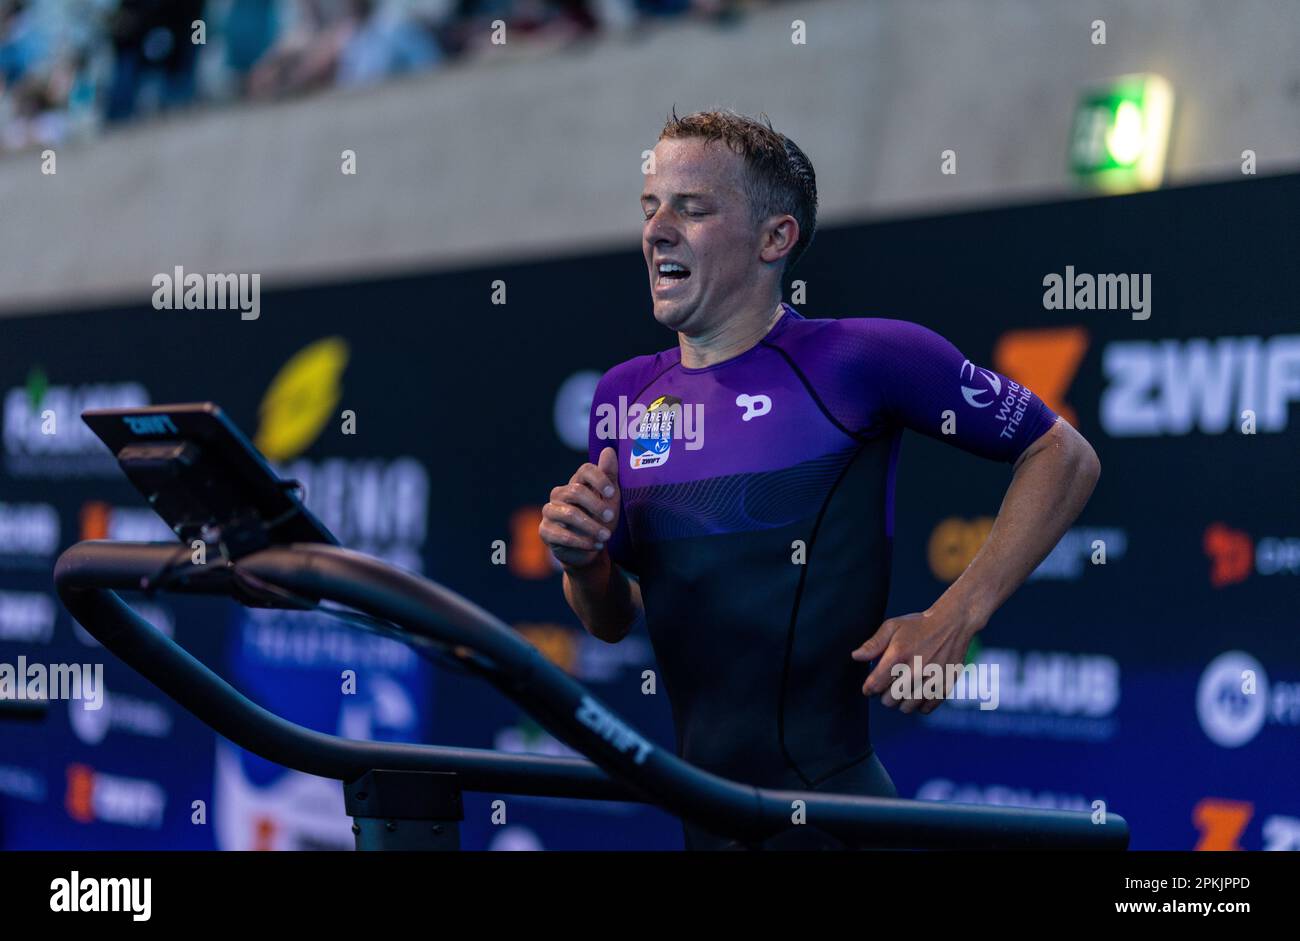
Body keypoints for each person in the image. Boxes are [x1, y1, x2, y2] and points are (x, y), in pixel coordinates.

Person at [539, 109, 1100, 850]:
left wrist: (958, 614)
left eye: (692, 208)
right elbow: (613, 617)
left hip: (835, 818)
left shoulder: (859, 359)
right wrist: (586, 563)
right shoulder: (624, 394)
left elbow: (1064, 455)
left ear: (776, 238)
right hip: (703, 819)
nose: (658, 229)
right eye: (650, 207)